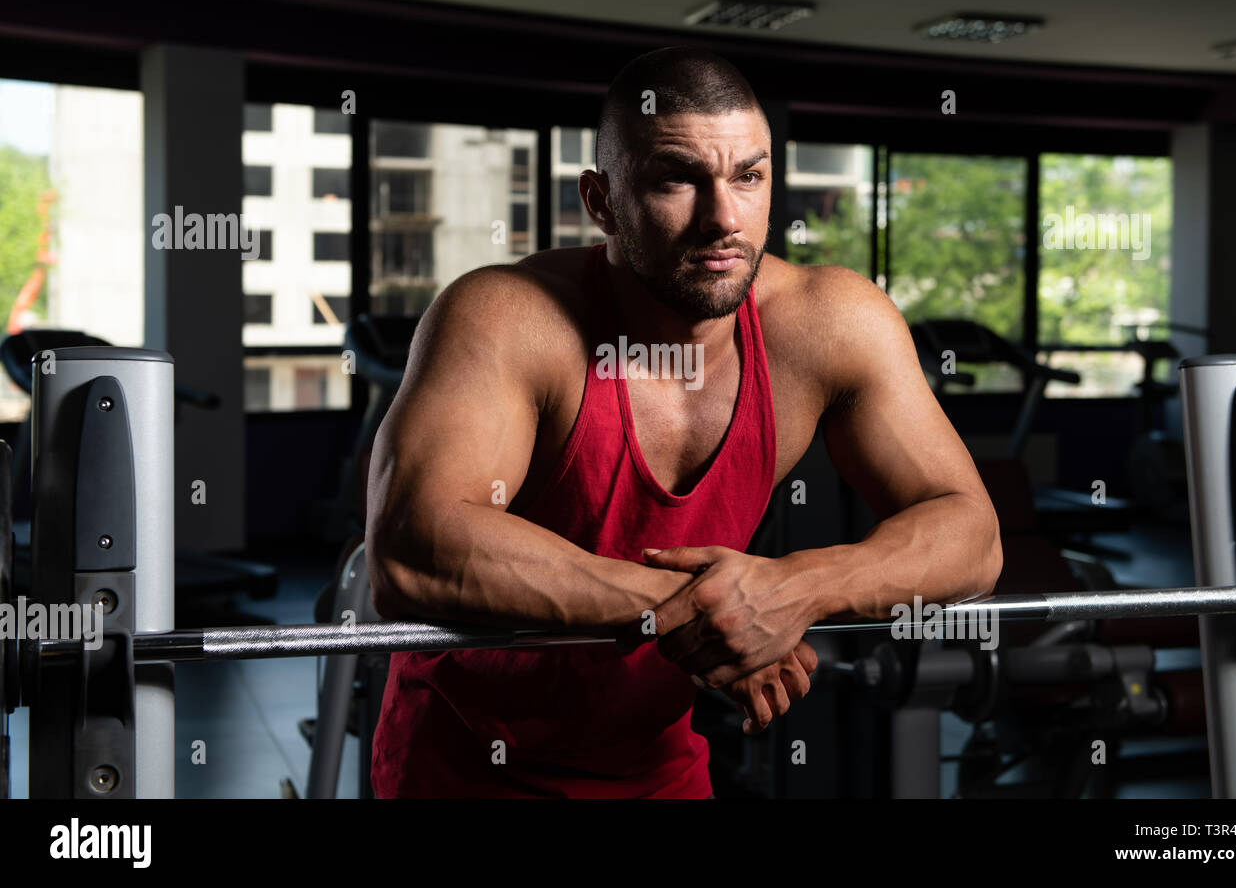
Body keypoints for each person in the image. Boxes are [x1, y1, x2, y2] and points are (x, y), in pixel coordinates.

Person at [366, 45, 1002, 797]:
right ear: (602, 201)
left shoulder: (830, 323)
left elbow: (972, 535)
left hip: (658, 767)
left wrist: (795, 589)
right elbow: (414, 545)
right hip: (463, 767)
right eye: (677, 178)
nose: (724, 217)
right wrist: (706, 615)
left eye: (749, 176)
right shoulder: (506, 316)